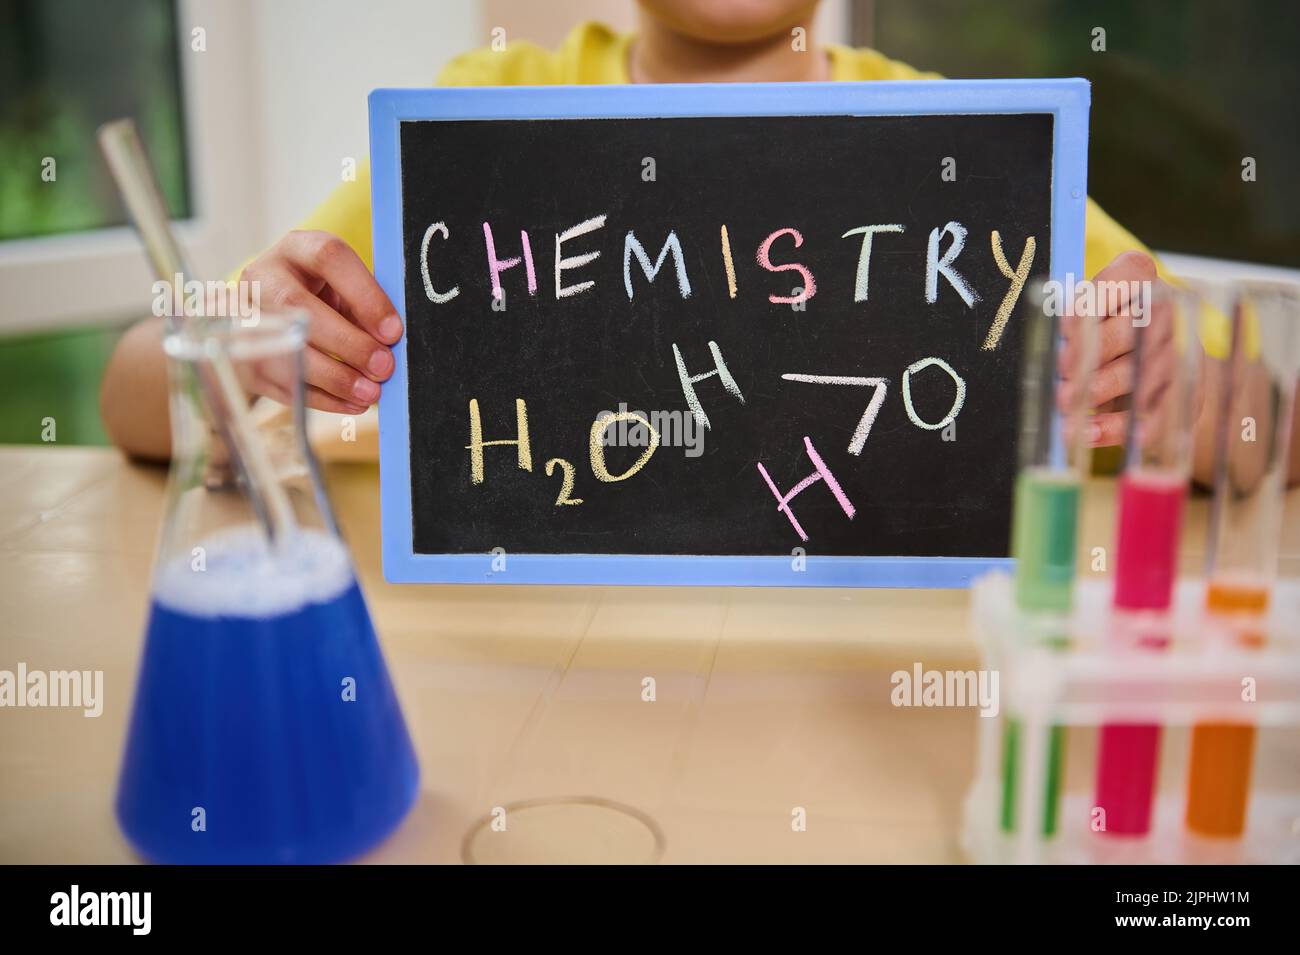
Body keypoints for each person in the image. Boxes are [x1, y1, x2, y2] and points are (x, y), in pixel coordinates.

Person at [100, 1, 1176, 466]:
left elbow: (1267, 418)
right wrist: (242, 345)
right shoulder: (478, 123)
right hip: (522, 688)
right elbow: (135, 390)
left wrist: (1177, 400)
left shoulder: (967, 153)